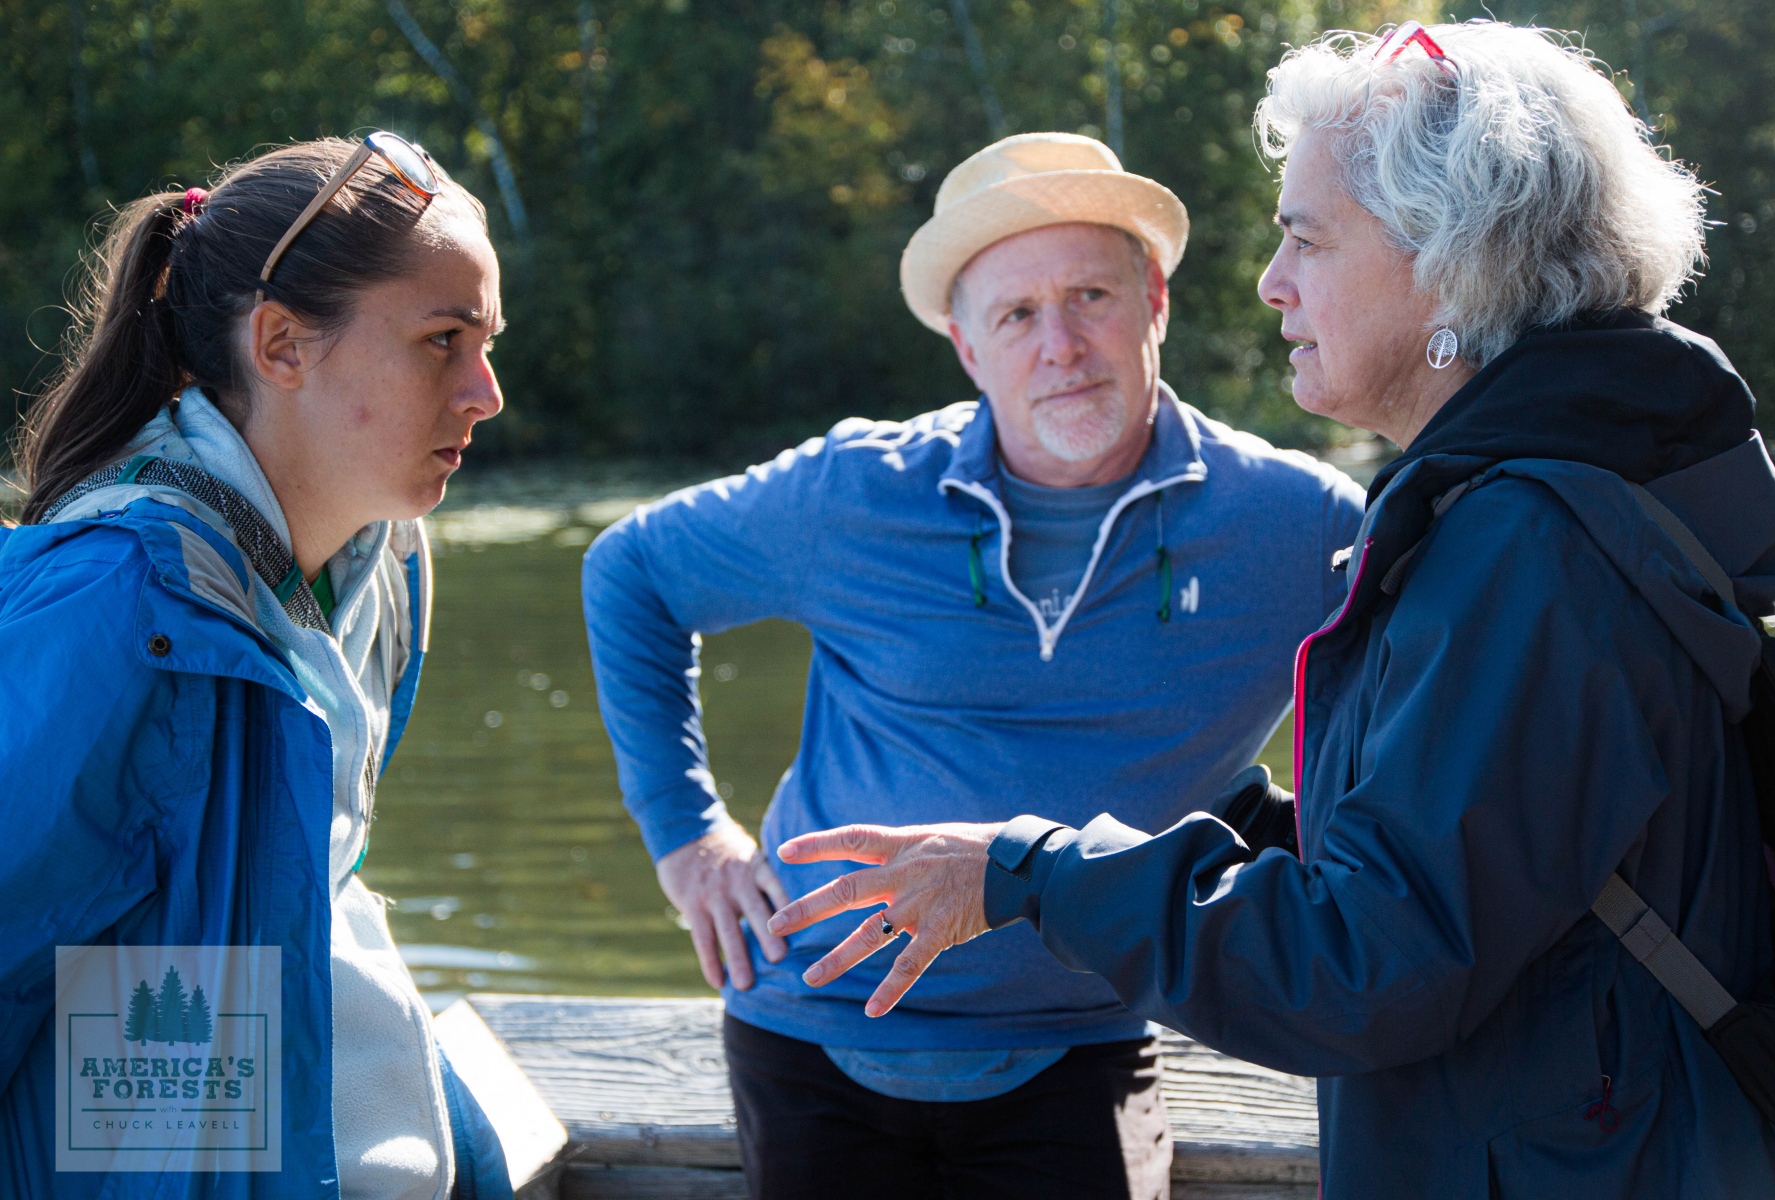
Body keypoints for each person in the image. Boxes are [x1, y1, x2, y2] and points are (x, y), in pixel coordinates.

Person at [768, 21, 1775, 1198]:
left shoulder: (1531, 550)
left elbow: (1372, 964)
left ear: (1450, 261)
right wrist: (1238, 817)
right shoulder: (1537, 507)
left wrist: (1032, 873)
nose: (1271, 283)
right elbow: (1484, 869)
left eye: (1306, 238)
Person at [581, 132, 1364, 1198]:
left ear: (1156, 304)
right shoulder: (854, 493)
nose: (1063, 345)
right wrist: (686, 838)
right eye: (1017, 314)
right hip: (812, 1030)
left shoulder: (1298, 528)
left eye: (1091, 295)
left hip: (1085, 1033)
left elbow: (1411, 743)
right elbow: (631, 573)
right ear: (968, 348)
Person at [0, 136, 512, 1198]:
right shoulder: (116, 599)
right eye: (443, 340)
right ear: (280, 343)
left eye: (489, 342)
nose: (486, 390)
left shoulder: (382, 566)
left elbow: (310, 891)